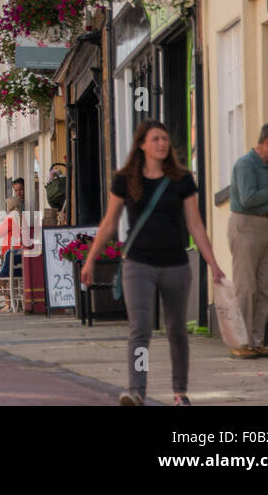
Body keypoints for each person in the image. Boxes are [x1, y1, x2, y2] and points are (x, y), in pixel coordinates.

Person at [81, 120, 226, 406]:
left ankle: (180, 393)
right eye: (156, 139)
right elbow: (110, 223)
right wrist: (90, 260)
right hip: (138, 265)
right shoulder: (124, 179)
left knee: (177, 330)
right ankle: (137, 391)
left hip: (175, 265)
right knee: (141, 328)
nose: (162, 144)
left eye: (165, 139)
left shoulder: (182, 180)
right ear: (142, 144)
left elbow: (195, 225)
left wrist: (213, 263)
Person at [228, 123, 268, 359]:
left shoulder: (265, 166)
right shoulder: (246, 164)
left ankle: (256, 340)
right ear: (267, 142)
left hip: (266, 225)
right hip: (246, 224)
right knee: (246, 286)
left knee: (265, 287)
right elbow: (247, 198)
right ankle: (241, 342)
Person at [0, 196, 25, 282]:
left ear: (10, 206)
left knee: (5, 279)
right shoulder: (22, 217)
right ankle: (16, 294)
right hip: (21, 252)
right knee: (18, 278)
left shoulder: (10, 218)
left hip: (9, 252)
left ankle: (8, 295)